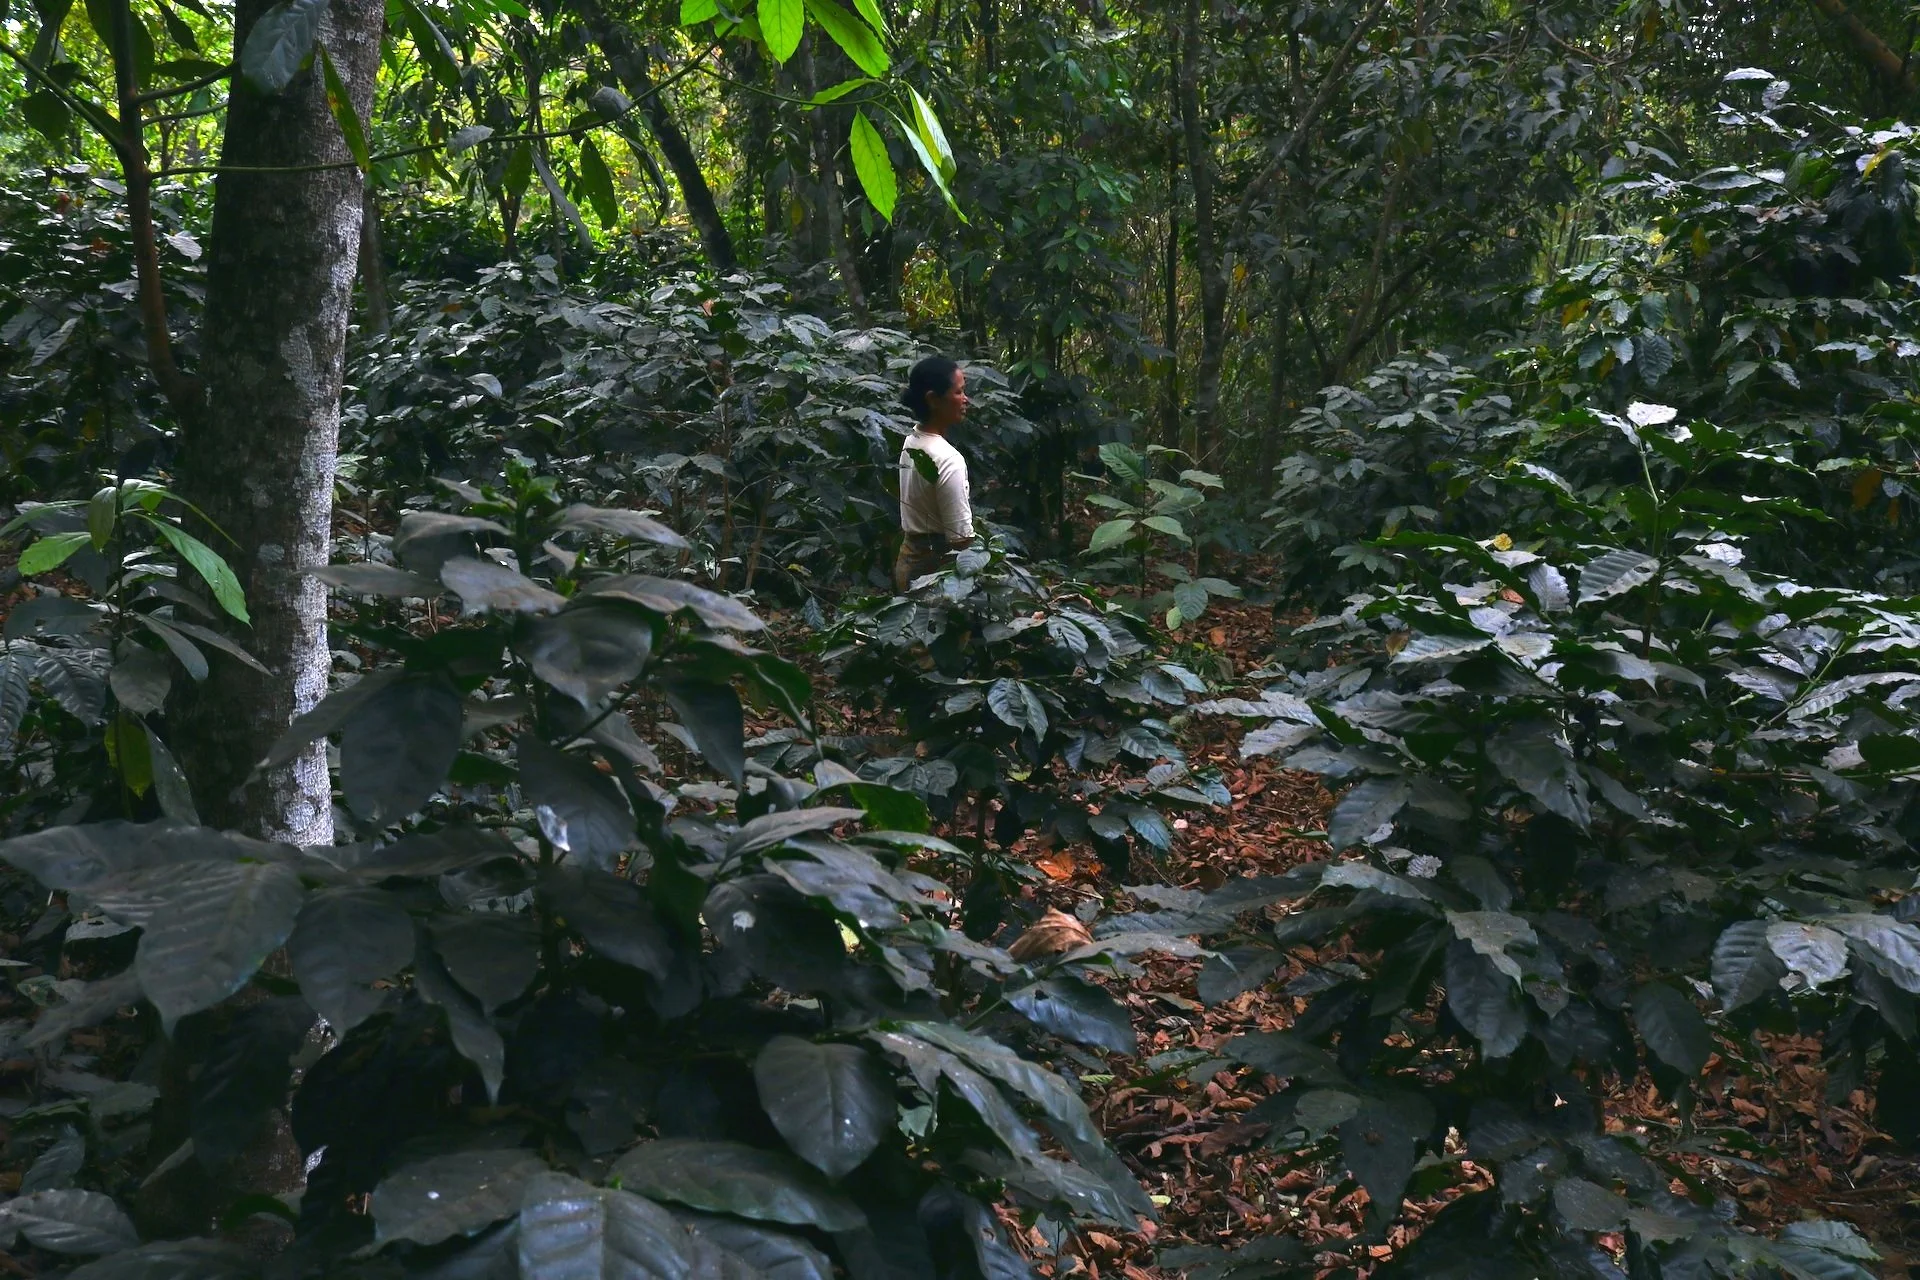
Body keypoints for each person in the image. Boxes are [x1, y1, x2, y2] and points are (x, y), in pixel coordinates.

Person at [894, 355, 973, 591]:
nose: (965, 399)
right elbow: (960, 538)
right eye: (959, 392)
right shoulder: (948, 459)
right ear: (933, 400)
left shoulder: (913, 440)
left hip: (907, 564)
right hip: (936, 576)